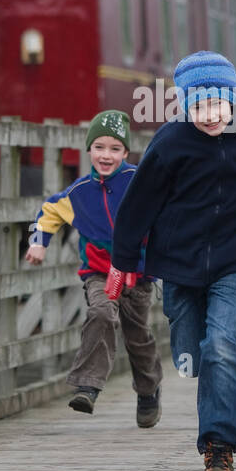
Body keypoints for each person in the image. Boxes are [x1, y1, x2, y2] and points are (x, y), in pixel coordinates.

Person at [107, 52, 236, 471]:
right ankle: (212, 387)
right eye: (198, 106)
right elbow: (139, 204)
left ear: (233, 101)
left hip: (235, 257)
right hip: (180, 261)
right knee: (192, 355)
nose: (209, 115)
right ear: (185, 106)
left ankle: (218, 450)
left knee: (222, 346)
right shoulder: (171, 143)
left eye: (218, 105)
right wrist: (122, 262)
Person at [25, 109, 163, 425]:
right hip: (99, 272)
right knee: (101, 312)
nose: (106, 155)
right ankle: (88, 385)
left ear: (126, 153)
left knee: (138, 337)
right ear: (89, 150)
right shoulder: (78, 193)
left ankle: (148, 390)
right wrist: (38, 242)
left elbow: (167, 206)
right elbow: (48, 212)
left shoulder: (138, 181)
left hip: (137, 273)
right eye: (99, 147)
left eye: (115, 149)